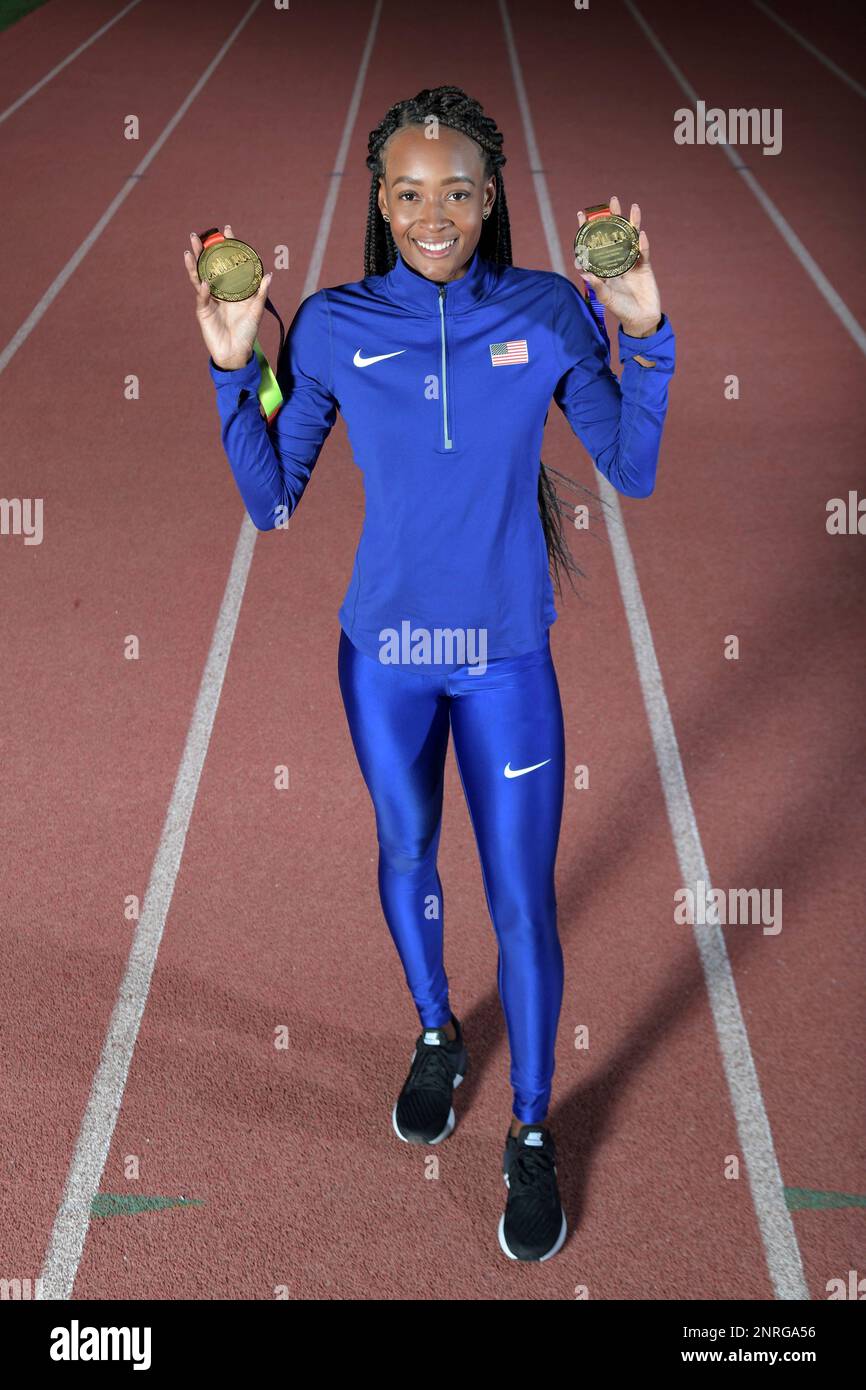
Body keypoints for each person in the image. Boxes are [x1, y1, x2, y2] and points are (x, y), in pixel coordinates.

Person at [183, 84, 676, 1263]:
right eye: (407, 192)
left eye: (457, 188)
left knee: (520, 900)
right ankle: (436, 1033)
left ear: (493, 195)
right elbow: (273, 498)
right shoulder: (338, 327)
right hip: (387, 660)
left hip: (504, 660)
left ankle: (528, 1131)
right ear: (379, 202)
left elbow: (633, 465)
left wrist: (646, 333)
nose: (433, 212)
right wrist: (229, 365)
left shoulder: (552, 311)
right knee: (405, 848)